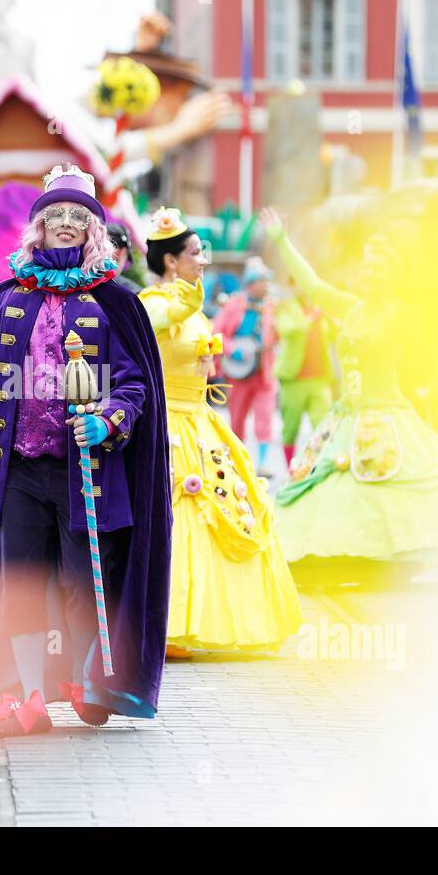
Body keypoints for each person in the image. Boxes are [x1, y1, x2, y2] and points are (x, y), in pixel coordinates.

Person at [0, 165, 172, 735]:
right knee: (20, 581)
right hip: (15, 471)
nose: (64, 225)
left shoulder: (117, 302)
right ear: (36, 229)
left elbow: (136, 387)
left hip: (89, 474)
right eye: (54, 216)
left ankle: (84, 681)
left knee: (84, 580)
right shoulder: (5, 299)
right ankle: (30, 694)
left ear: (94, 232)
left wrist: (108, 420)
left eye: (77, 218)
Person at [261, 207, 438, 574]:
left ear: (391, 277)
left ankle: (384, 554)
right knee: (334, 483)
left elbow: (436, 344)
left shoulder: (401, 315)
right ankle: (342, 554)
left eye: (377, 269)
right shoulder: (350, 307)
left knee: (380, 485)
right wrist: (281, 240)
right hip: (346, 415)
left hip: (387, 413)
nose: (368, 274)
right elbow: (311, 285)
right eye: (366, 268)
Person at [140, 208, 302, 655]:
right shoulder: (155, 304)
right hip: (167, 424)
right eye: (195, 252)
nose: (203, 260)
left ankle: (217, 620)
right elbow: (149, 326)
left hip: (202, 421)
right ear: (171, 261)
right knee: (183, 512)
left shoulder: (191, 306)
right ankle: (168, 624)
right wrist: (184, 303)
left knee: (227, 507)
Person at [213, 258, 279, 474]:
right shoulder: (234, 305)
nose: (265, 285)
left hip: (264, 371)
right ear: (251, 284)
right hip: (238, 374)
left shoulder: (272, 307)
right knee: (237, 419)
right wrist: (232, 349)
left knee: (265, 416)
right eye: (261, 281)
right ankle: (236, 460)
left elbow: (280, 334)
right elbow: (216, 333)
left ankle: (263, 462)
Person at [274, 280, 335, 469]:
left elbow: (333, 333)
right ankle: (290, 470)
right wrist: (310, 319)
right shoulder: (286, 307)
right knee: (291, 429)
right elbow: (286, 330)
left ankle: (318, 466)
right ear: (293, 286)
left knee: (324, 426)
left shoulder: (321, 308)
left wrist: (331, 318)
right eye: (299, 283)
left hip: (320, 378)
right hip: (294, 379)